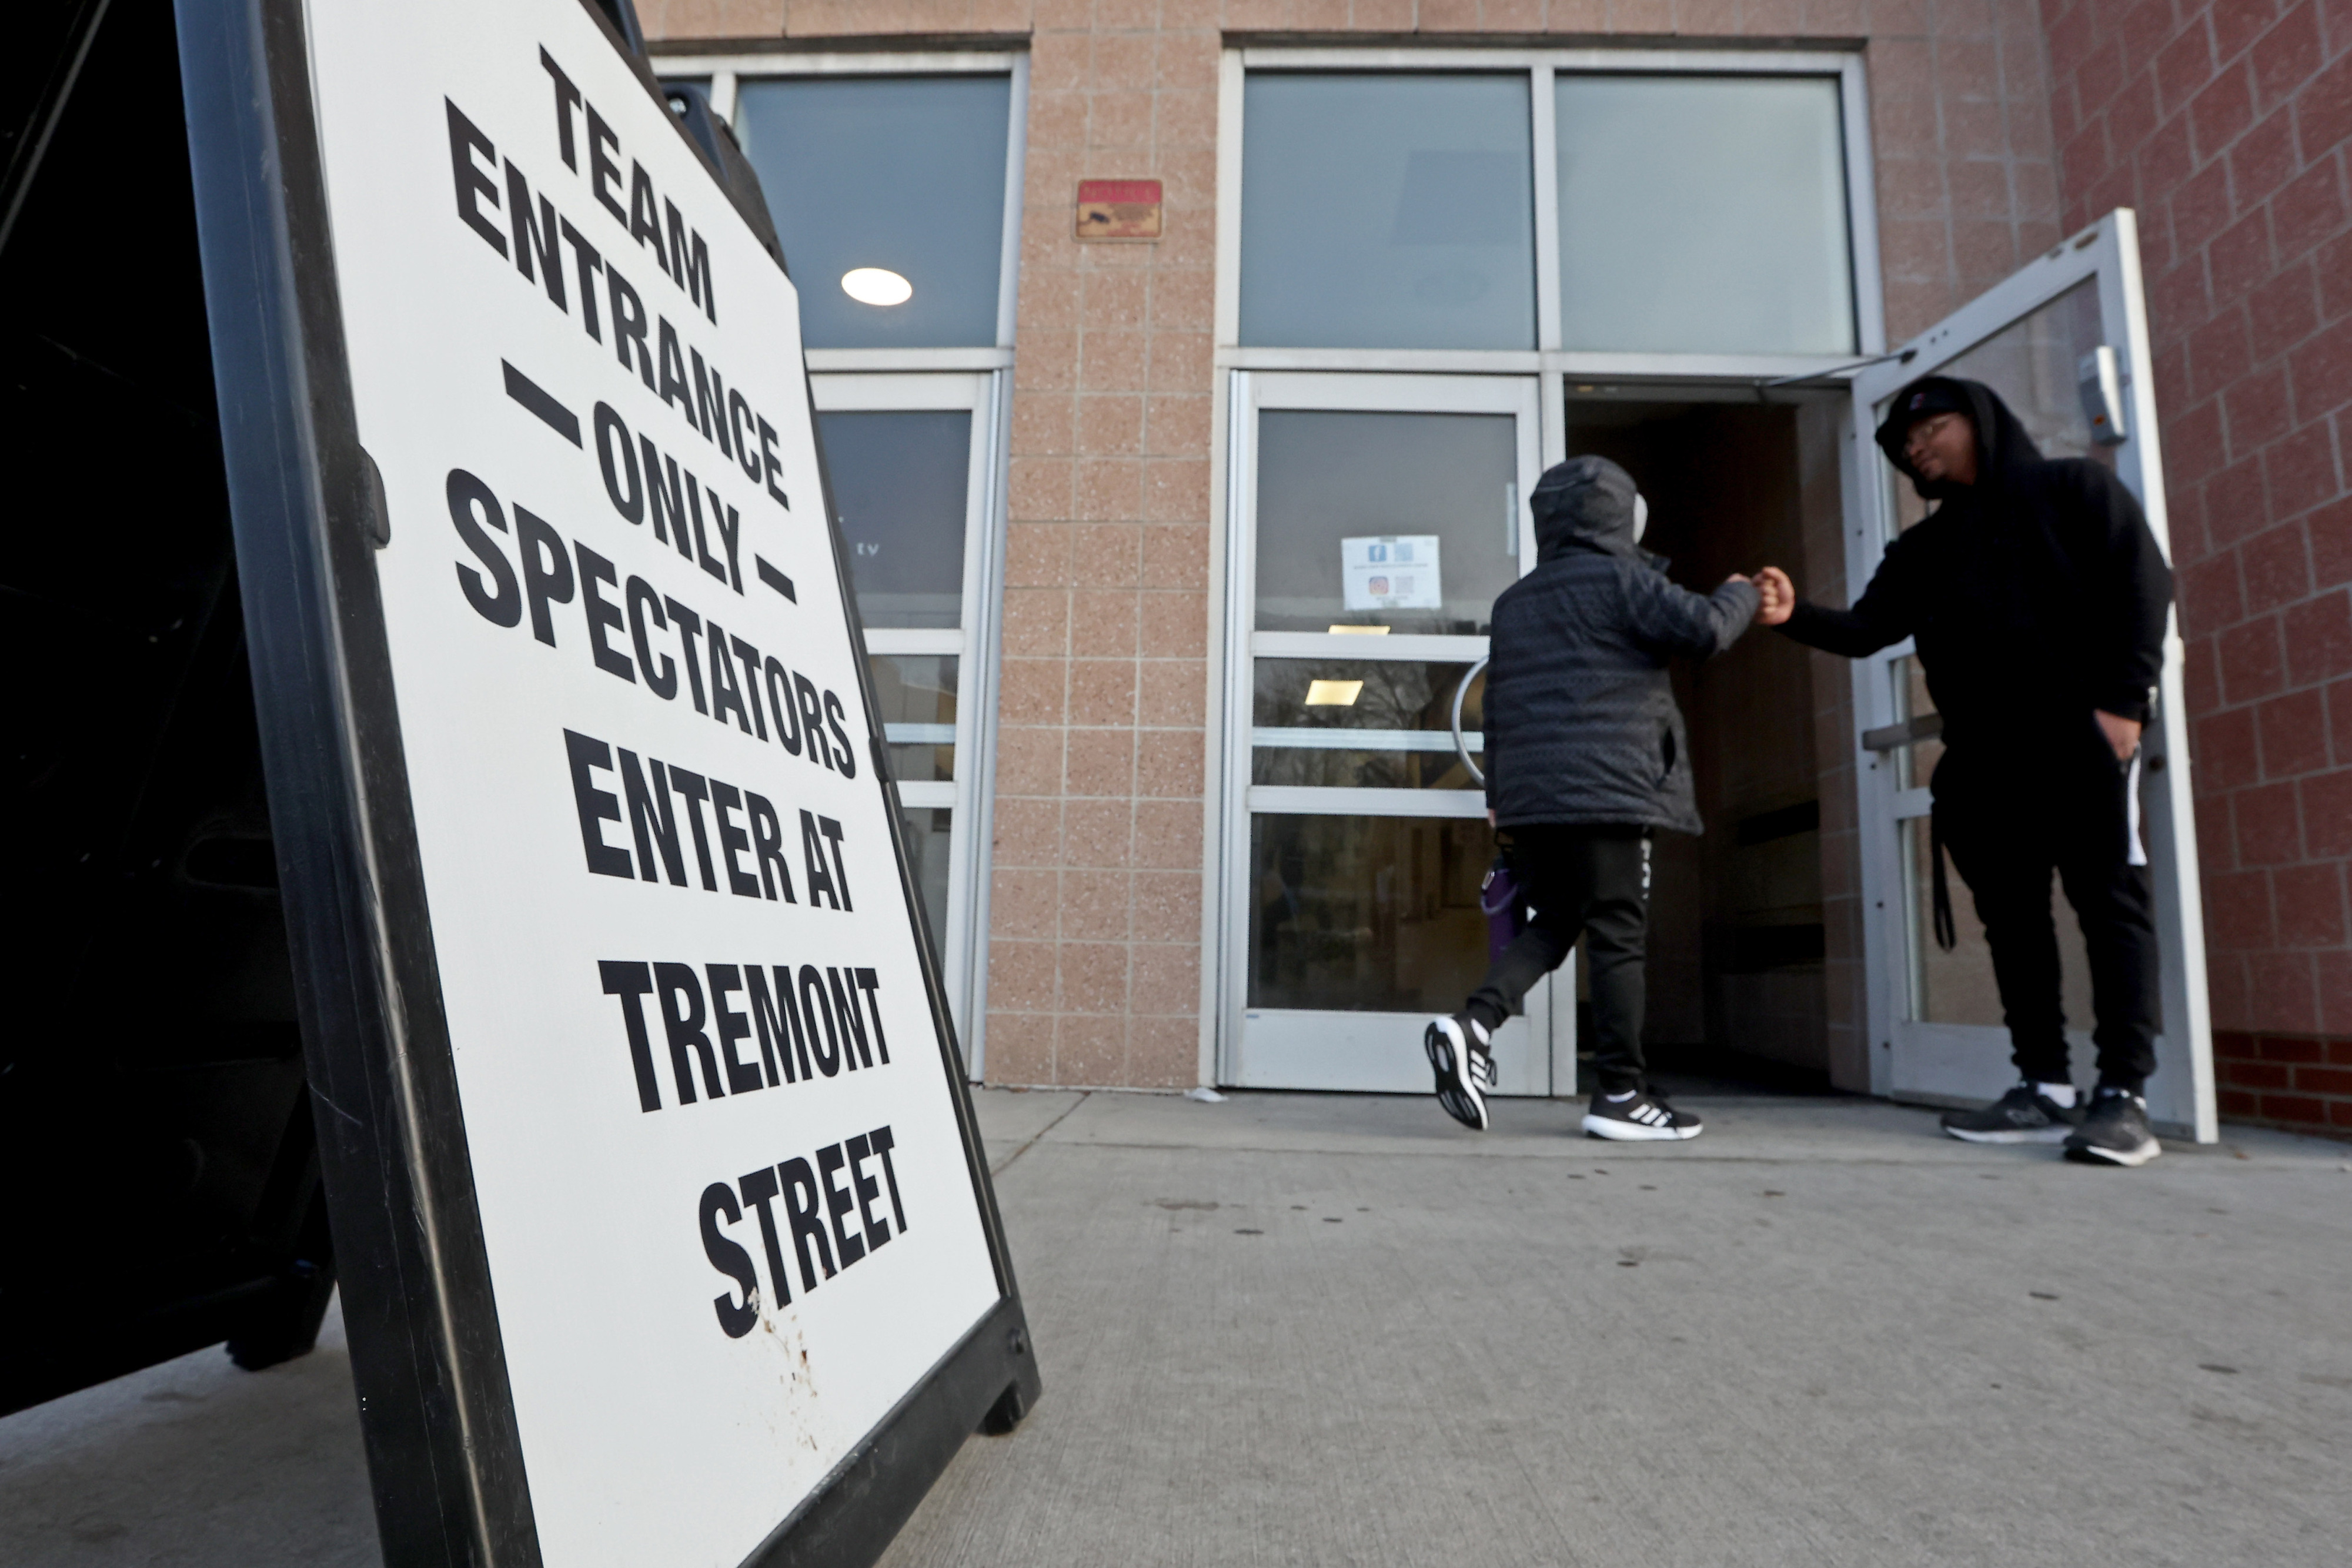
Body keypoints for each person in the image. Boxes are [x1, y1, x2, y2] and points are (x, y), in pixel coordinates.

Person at [1752, 375, 2173, 1167]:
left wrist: (2122, 704)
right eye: (1905, 445)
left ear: (1980, 420)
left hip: (2078, 742)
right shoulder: (1923, 547)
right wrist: (1791, 614)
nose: (1916, 449)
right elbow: (1867, 629)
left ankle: (2124, 1096)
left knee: (2109, 907)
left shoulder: (2072, 489)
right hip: (1982, 761)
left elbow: (2144, 583)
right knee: (2013, 924)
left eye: (1929, 430)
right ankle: (2044, 1086)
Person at [1425, 455, 1759, 1139]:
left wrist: (1500, 794)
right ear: (1618, 517)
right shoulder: (1625, 580)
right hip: (1608, 791)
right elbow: (1705, 630)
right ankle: (1620, 1094)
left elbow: (1498, 706)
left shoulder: (1514, 602)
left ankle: (1474, 1023)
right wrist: (1741, 593)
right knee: (1617, 932)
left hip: (1533, 798)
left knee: (1555, 920)